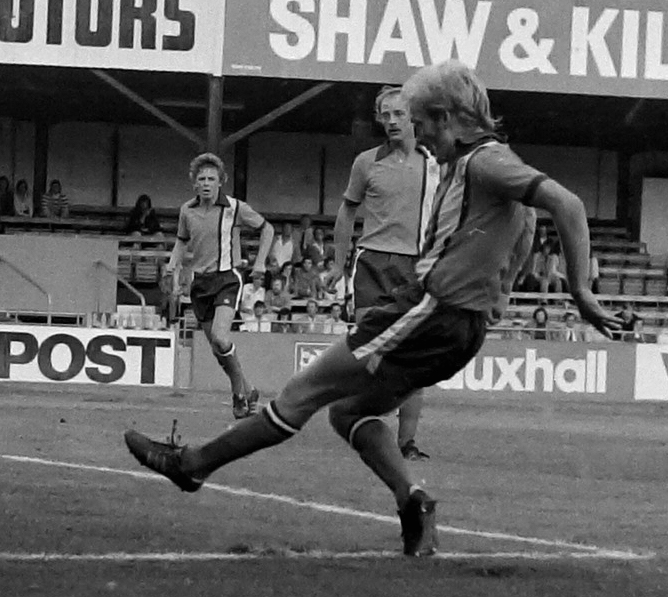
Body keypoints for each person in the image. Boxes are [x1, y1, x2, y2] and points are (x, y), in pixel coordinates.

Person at [124, 61, 620, 557]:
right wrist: (500, 292)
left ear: (445, 116)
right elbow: (527, 220)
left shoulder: (484, 162)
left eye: (422, 123)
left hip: (428, 310)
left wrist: (581, 290)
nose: (420, 136)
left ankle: (192, 466)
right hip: (459, 328)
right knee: (348, 413)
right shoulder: (479, 166)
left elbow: (568, 205)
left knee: (300, 394)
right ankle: (414, 502)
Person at [332, 85, 442, 460]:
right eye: (385, 114)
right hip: (372, 264)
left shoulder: (434, 163)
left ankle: (406, 443)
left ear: (413, 117)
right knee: (368, 351)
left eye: (399, 114)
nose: (392, 121)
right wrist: (337, 262)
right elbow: (347, 211)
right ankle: (361, 424)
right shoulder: (366, 162)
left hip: (415, 265)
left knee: (413, 357)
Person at [164, 152, 275, 419]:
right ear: (194, 183)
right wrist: (172, 266)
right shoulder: (186, 210)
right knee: (217, 349)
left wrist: (260, 263)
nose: (206, 183)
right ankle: (248, 391)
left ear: (220, 182)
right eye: (201, 178)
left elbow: (267, 228)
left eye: (211, 178)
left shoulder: (234, 208)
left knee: (221, 337)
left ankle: (238, 395)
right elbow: (181, 241)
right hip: (200, 284)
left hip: (227, 278)